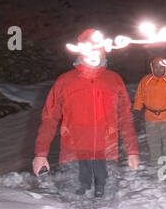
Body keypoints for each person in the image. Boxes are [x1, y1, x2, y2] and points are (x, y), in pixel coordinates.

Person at [32, 28, 138, 199]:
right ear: (80, 50)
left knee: (106, 207)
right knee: (77, 208)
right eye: (88, 48)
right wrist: (40, 154)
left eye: (97, 48)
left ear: (104, 50)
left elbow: (125, 117)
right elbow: (49, 119)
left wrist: (132, 151)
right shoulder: (65, 81)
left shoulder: (114, 80)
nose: (93, 53)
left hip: (107, 155)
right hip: (73, 155)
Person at [132, 56, 166, 179]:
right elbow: (139, 97)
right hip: (150, 118)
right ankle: (157, 173)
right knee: (154, 145)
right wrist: (137, 109)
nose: (159, 70)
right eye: (156, 67)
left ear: (165, 67)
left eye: (161, 67)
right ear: (152, 68)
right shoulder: (146, 80)